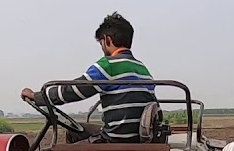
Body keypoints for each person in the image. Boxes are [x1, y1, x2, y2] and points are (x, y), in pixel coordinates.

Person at [20, 12, 157, 144]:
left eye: (101, 43)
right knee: (74, 130)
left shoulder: (108, 65)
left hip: (114, 140)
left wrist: (37, 96)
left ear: (107, 40)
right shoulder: (143, 69)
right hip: (137, 137)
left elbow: (73, 91)